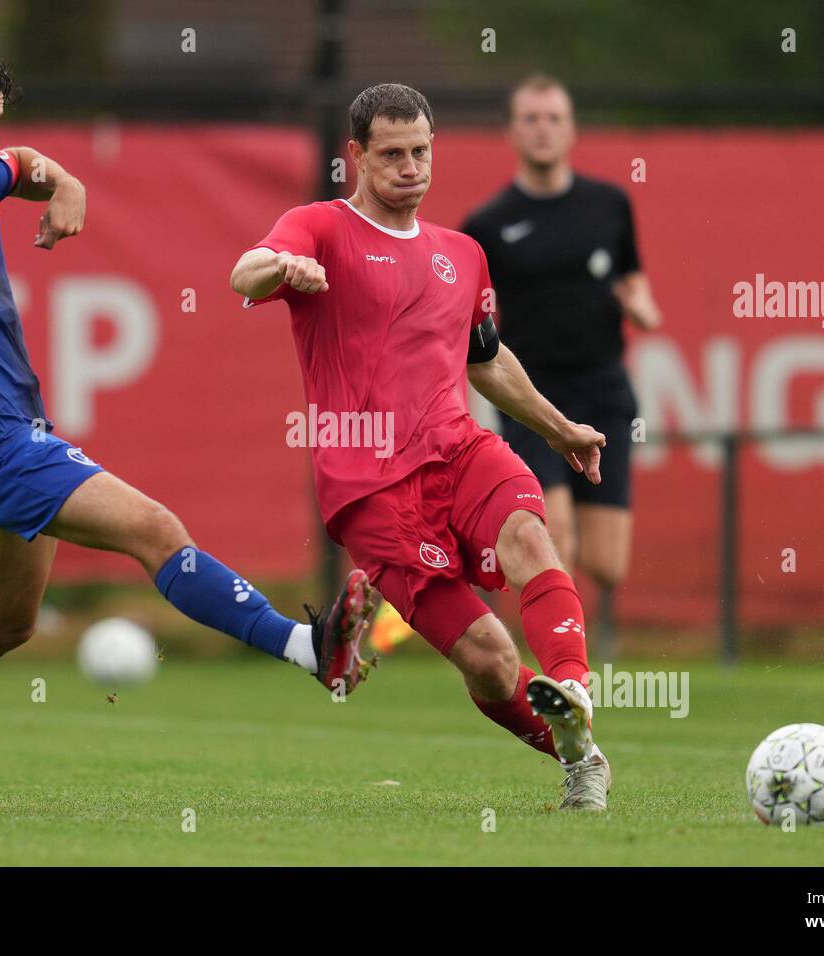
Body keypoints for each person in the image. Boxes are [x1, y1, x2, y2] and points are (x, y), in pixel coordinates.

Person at [0, 39, 375, 812]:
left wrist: (66, 183)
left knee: (3, 624)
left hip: (12, 430)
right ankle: (310, 650)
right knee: (156, 530)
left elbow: (24, 163)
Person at [231, 83, 612, 810]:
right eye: (393, 154)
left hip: (460, 448)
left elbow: (487, 359)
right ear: (357, 157)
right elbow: (243, 271)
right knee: (492, 663)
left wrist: (559, 429)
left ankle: (574, 688)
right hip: (369, 488)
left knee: (531, 534)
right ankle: (579, 754)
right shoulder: (319, 227)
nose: (411, 167)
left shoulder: (462, 254)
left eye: (421, 152)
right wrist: (283, 268)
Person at [462, 75, 662, 654]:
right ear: (511, 131)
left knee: (607, 561)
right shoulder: (488, 224)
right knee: (557, 528)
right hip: (531, 395)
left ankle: (563, 642)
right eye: (530, 118)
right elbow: (469, 315)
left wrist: (641, 304)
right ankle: (564, 664)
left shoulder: (609, 204)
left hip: (604, 390)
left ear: (571, 129)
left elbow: (632, 276)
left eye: (553, 117)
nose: (542, 128)